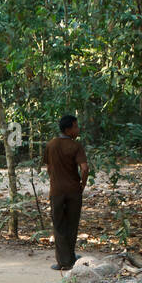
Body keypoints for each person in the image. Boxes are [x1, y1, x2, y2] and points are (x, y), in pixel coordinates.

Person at [41, 114, 88, 271]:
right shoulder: (76, 146)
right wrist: (83, 183)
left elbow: (48, 168)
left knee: (59, 225)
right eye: (75, 126)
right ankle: (70, 258)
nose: (78, 128)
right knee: (72, 224)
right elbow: (84, 168)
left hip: (57, 191)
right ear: (68, 130)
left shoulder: (51, 145)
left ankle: (64, 261)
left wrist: (55, 181)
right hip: (74, 190)